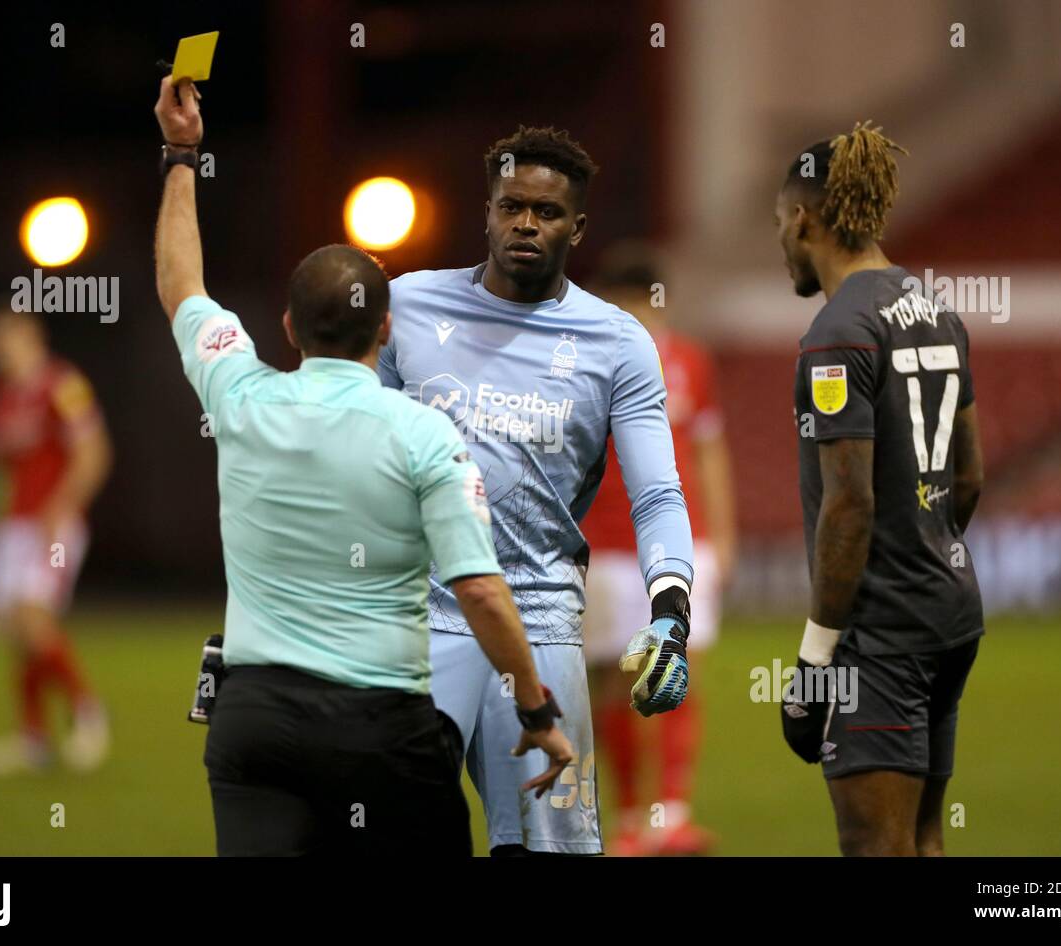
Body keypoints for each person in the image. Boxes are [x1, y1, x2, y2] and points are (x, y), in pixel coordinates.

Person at [152, 76, 574, 856]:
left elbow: (182, 286)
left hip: (255, 722)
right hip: (382, 732)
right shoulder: (426, 436)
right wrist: (537, 709)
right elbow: (479, 589)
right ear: (386, 330)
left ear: (284, 325)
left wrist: (181, 155)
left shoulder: (239, 394)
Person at [378, 126, 695, 856]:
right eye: (510, 206)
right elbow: (352, 456)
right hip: (419, 615)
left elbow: (657, 493)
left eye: (547, 212)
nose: (526, 223)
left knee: (548, 846)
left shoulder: (617, 343)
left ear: (577, 227)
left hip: (542, 619)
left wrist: (671, 613)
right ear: (485, 212)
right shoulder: (409, 307)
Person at [773, 122, 985, 856]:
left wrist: (812, 662)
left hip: (883, 632)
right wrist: (927, 546)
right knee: (923, 837)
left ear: (803, 219)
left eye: (780, 224)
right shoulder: (939, 312)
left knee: (877, 847)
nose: (781, 243)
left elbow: (850, 504)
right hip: (951, 611)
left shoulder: (837, 333)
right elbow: (967, 477)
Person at [580, 243, 737, 856]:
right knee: (611, 682)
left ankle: (668, 814)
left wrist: (723, 537)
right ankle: (624, 820)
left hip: (680, 546)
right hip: (606, 544)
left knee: (679, 673)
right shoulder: (585, 366)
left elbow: (709, 449)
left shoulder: (690, 363)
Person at [0, 303, 113, 776]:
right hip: (14, 523)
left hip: (51, 525)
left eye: (8, 338)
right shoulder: (0, 395)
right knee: (20, 633)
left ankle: (87, 710)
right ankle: (34, 739)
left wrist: (62, 507)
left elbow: (94, 453)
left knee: (33, 619)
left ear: (32, 337)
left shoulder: (63, 385)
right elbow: (3, 463)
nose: (0, 350)